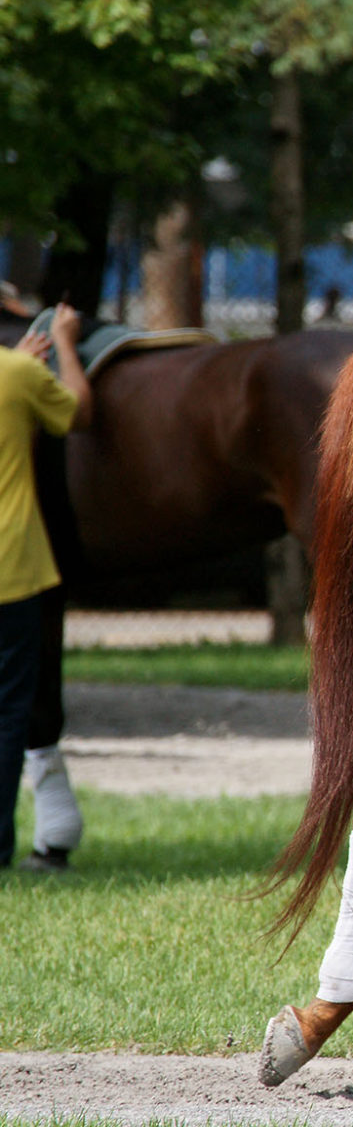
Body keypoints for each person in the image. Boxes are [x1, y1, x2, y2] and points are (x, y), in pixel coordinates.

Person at [2, 302, 90, 870]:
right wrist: (63, 342)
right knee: (9, 708)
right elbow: (78, 413)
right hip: (13, 568)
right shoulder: (18, 374)